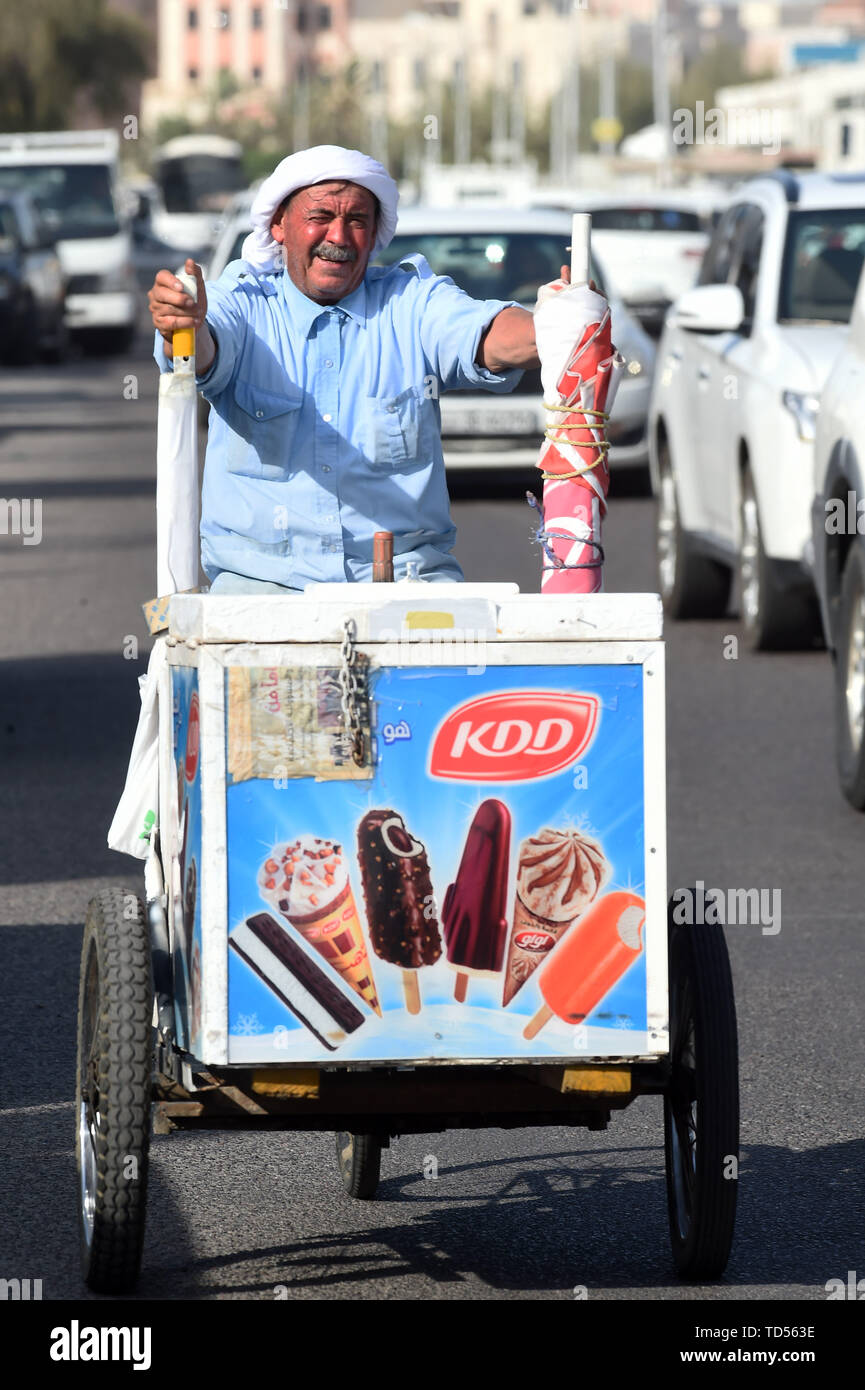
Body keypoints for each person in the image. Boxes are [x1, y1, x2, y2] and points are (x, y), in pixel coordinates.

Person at [147, 144, 581, 593]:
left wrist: (560, 327)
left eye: (357, 221)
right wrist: (183, 321)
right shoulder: (244, 302)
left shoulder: (411, 302)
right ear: (280, 225)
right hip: (260, 591)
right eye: (320, 218)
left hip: (407, 585)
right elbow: (198, 349)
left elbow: (485, 334)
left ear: (375, 235)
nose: (339, 237)